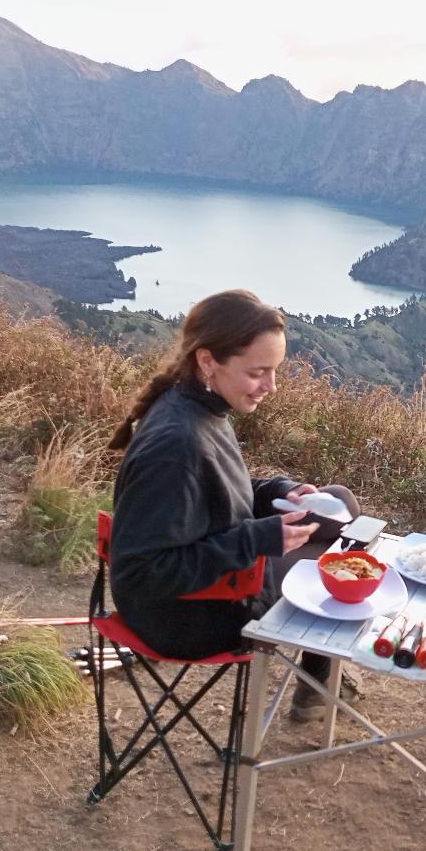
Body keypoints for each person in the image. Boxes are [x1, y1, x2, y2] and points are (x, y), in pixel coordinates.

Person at [107, 289, 358, 721]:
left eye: (274, 371)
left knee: (339, 502)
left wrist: (277, 491)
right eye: (258, 372)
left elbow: (214, 486)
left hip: (209, 582)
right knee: (336, 559)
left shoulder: (198, 407)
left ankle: (317, 678)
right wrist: (258, 539)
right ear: (208, 361)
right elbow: (145, 573)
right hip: (188, 616)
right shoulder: (176, 445)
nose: (271, 387)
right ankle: (317, 685)